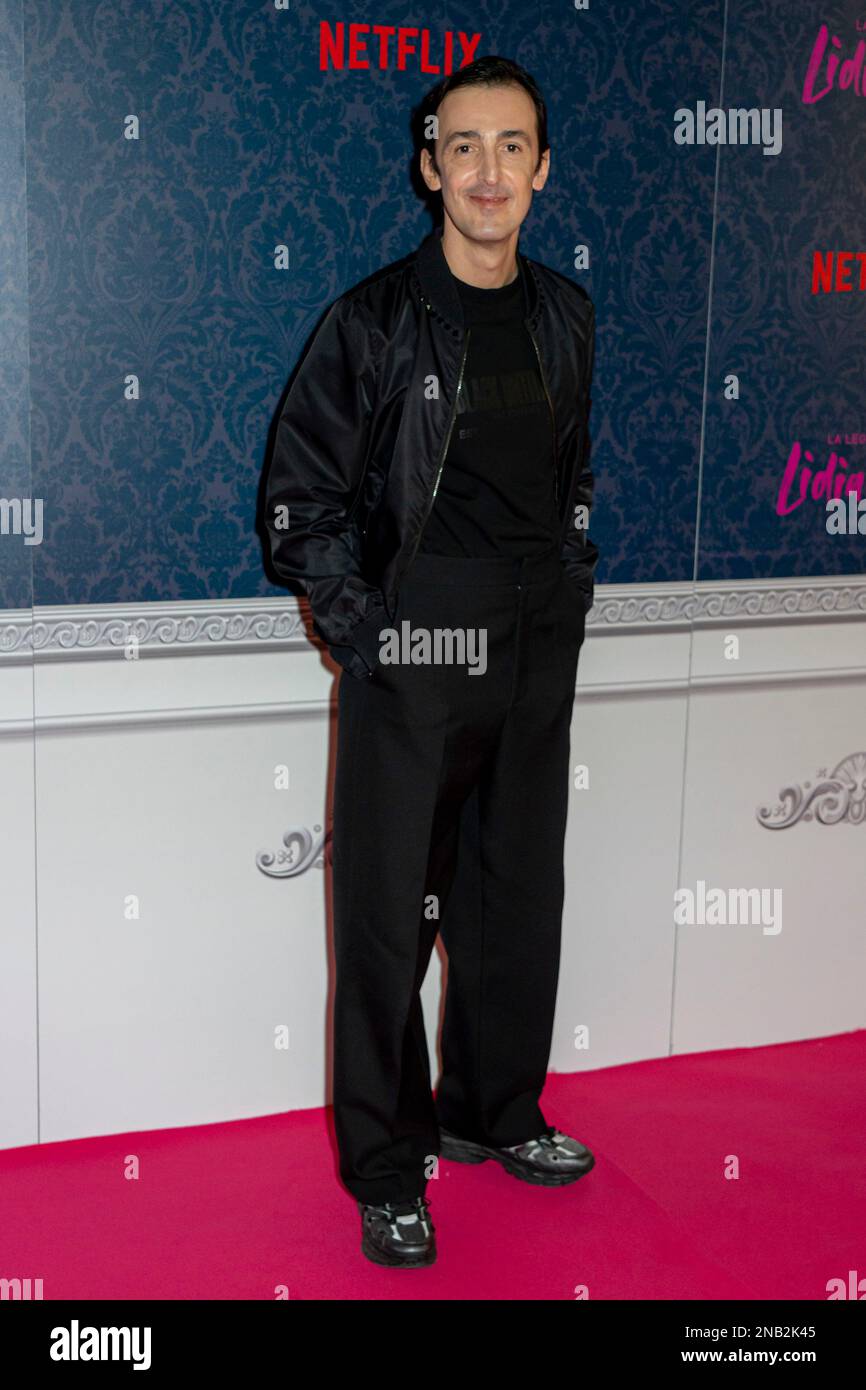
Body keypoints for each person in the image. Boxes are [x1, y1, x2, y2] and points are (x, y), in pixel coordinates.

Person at [263, 55, 599, 1269]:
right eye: (464, 146)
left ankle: (494, 1112)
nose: (487, 170)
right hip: (419, 641)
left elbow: (569, 483)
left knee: (515, 909)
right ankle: (388, 1168)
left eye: (511, 146)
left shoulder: (566, 315)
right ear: (429, 166)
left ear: (541, 170)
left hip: (531, 645)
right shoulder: (370, 320)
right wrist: (369, 638)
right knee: (385, 931)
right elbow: (297, 505)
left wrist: (567, 584)